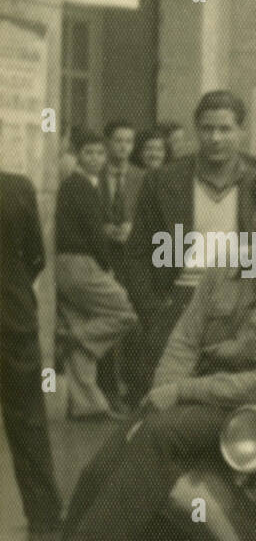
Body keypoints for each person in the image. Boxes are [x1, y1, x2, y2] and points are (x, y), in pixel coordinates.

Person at [21, 167, 256, 541]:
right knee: (99, 470)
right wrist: (165, 390)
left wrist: (184, 392)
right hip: (199, 400)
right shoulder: (229, 264)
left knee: (160, 435)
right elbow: (186, 337)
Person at [122, 90, 256, 407]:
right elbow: (137, 254)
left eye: (225, 129)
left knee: (231, 403)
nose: (215, 138)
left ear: (242, 131)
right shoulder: (165, 182)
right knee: (164, 401)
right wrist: (153, 311)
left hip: (239, 302)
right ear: (196, 130)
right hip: (178, 301)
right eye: (207, 129)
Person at [53, 126, 138, 420]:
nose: (95, 158)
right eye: (88, 152)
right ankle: (68, 335)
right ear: (77, 156)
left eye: (99, 153)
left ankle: (88, 406)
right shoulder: (81, 186)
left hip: (65, 265)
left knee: (86, 335)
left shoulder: (73, 185)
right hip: (81, 263)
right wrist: (106, 265)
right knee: (125, 311)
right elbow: (93, 233)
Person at [2, 172, 64, 541]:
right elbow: (35, 257)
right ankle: (44, 528)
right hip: (13, 318)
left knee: (27, 423)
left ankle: (44, 526)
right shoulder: (16, 188)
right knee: (28, 424)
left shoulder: (15, 188)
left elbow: (36, 256)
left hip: (11, 322)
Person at [98, 119, 145, 408]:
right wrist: (103, 228)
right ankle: (107, 387)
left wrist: (133, 228)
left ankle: (131, 385)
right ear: (107, 142)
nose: (124, 147)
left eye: (129, 142)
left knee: (132, 320)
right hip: (102, 254)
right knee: (108, 318)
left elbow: (147, 214)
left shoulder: (141, 177)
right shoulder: (95, 174)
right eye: (118, 141)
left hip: (131, 256)